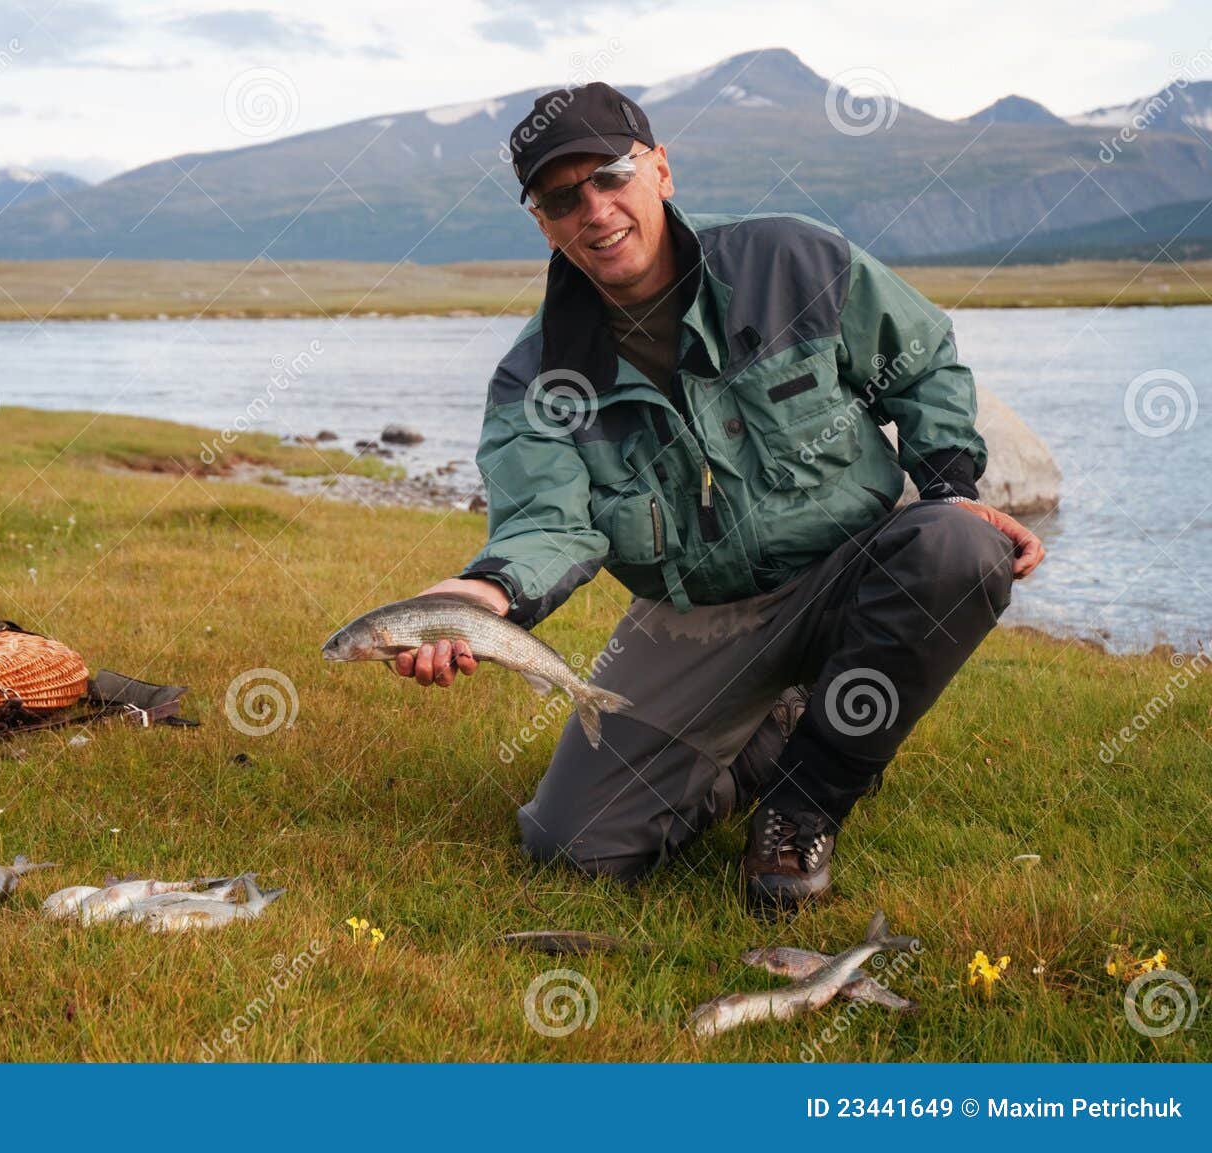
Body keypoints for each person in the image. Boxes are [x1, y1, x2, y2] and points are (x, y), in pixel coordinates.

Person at [395, 82, 1045, 914]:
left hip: (851, 567)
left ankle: (805, 799)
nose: (594, 210)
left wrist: (951, 489)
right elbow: (544, 525)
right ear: (542, 222)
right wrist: (480, 595)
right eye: (562, 197)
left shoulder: (792, 262)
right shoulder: (535, 381)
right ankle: (772, 734)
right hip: (700, 616)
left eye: (612, 176)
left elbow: (920, 362)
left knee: (959, 545)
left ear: (661, 169)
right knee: (574, 848)